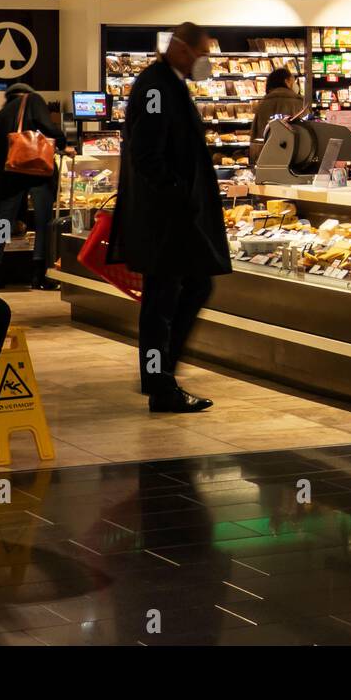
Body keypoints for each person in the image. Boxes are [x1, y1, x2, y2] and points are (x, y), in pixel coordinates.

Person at [107, 22, 230, 413]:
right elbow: (147, 152)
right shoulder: (157, 87)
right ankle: (161, 383)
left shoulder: (164, 83)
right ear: (180, 49)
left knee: (180, 292)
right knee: (166, 300)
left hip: (170, 216)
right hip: (166, 220)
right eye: (201, 54)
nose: (203, 62)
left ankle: (159, 376)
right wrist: (177, 191)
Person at [0, 81, 68, 291]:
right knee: (42, 225)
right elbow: (47, 127)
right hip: (37, 172)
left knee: (4, 223)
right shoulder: (33, 100)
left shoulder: (3, 114)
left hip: (11, 177)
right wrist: (64, 142)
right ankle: (39, 274)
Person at [250, 65, 304, 156]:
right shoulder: (299, 102)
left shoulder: (263, 103)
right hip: (295, 155)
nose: (295, 84)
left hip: (267, 155)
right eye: (293, 81)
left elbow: (256, 133)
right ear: (286, 82)